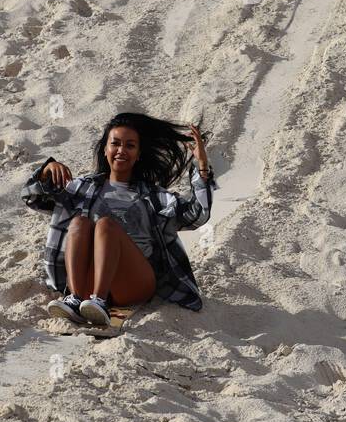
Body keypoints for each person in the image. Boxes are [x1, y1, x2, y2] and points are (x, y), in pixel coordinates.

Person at [20, 112, 216, 327]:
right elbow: (34, 199)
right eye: (116, 144)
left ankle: (100, 301)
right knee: (78, 223)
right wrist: (46, 172)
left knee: (105, 225)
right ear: (105, 150)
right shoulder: (83, 188)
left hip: (134, 282)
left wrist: (202, 168)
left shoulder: (154, 196)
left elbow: (197, 215)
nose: (121, 150)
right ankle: (75, 298)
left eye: (130, 146)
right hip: (88, 281)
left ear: (138, 154)